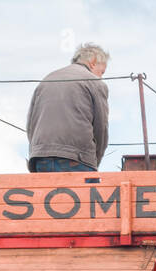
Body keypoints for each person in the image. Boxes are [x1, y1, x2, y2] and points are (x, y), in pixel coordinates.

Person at [26, 43, 110, 173]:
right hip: (77, 159)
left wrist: (36, 152)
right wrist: (94, 162)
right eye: (102, 72)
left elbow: (31, 124)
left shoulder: (47, 79)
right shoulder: (95, 83)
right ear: (93, 62)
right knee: (84, 194)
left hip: (40, 159)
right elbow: (101, 129)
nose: (101, 76)